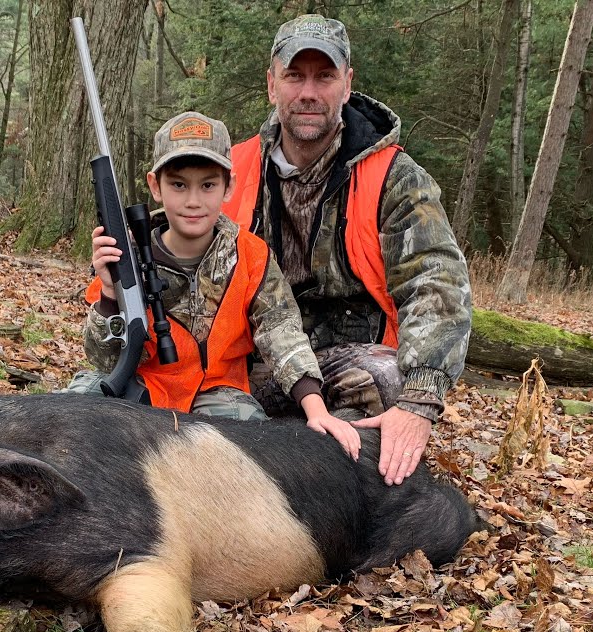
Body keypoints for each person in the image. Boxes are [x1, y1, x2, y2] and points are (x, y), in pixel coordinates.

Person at [221, 14, 473, 486]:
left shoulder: (395, 177)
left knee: (387, 382)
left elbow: (437, 284)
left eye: (325, 76)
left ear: (348, 83)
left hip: (348, 364)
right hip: (252, 362)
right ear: (271, 84)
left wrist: (419, 402)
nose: (308, 93)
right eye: (295, 76)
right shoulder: (230, 171)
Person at [70, 111, 360, 458]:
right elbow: (102, 359)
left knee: (251, 456)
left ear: (229, 187)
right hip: (142, 390)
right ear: (155, 186)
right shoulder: (124, 258)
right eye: (179, 185)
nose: (193, 201)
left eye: (208, 185)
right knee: (64, 420)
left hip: (220, 396)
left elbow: (282, 333)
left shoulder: (251, 255)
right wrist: (108, 292)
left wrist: (316, 410)